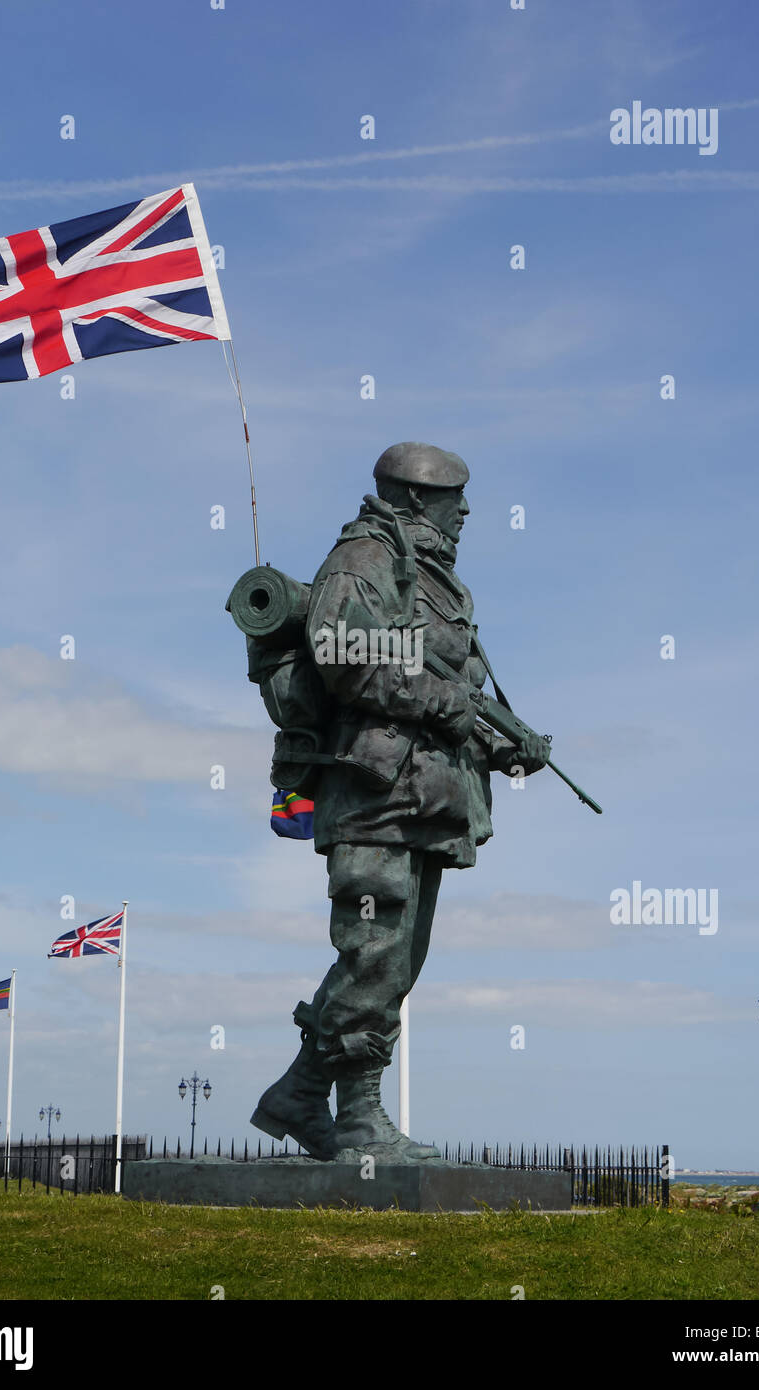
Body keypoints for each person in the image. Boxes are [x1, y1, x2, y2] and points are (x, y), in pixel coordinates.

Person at [251, 442, 551, 1160]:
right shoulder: (363, 558)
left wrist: (500, 744)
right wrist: (448, 706)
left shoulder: (437, 582)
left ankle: (296, 1095)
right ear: (416, 499)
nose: (466, 512)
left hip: (427, 797)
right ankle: (358, 1119)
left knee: (394, 962)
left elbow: (455, 694)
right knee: (373, 954)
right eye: (454, 499)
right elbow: (346, 661)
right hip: (373, 795)